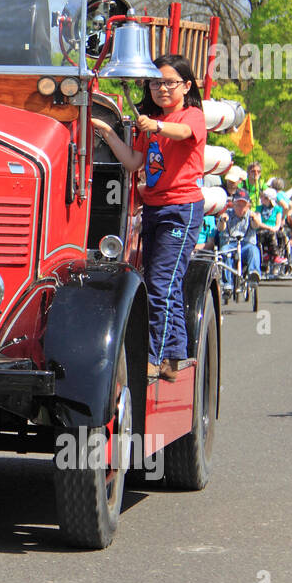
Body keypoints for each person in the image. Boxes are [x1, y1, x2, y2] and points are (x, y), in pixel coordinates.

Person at [91, 53, 205, 382]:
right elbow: (132, 161)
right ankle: (174, 357)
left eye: (169, 83)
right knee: (160, 283)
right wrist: (107, 133)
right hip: (155, 209)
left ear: (186, 85)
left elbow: (183, 133)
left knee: (160, 285)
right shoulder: (149, 122)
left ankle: (154, 358)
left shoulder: (192, 115)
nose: (162, 89)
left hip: (181, 210)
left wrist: (155, 125)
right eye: (155, 83)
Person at [217, 191, 262, 292]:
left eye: (244, 205)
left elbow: (256, 225)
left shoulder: (251, 215)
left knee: (254, 250)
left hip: (246, 245)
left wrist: (255, 219)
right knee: (224, 251)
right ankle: (227, 283)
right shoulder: (227, 214)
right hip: (231, 245)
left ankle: (253, 274)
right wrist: (223, 220)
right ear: (233, 204)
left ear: (248, 206)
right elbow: (220, 228)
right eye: (238, 205)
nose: (241, 208)